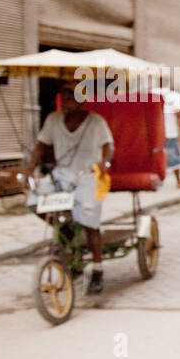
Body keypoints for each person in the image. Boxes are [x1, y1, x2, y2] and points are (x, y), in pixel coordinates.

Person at [24, 89, 114, 294]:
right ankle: (65, 231)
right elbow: (41, 145)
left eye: (71, 98)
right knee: (34, 200)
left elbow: (108, 145)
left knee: (90, 220)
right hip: (62, 174)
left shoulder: (96, 121)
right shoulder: (53, 120)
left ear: (82, 101)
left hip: (88, 175)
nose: (65, 102)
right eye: (63, 98)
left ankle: (98, 269)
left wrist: (105, 163)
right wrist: (30, 167)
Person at [161, 84, 180, 189]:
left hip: (155, 133)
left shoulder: (151, 94)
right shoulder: (175, 96)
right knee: (174, 158)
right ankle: (178, 181)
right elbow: (179, 116)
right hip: (169, 132)